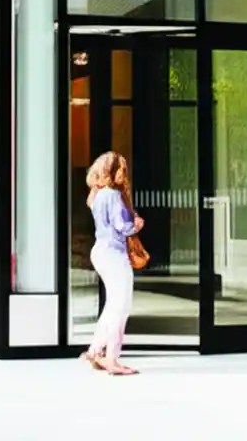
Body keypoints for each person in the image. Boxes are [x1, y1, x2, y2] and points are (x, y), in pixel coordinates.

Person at [80, 151, 143, 376]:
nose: (124, 172)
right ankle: (112, 359)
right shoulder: (114, 196)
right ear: (113, 170)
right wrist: (136, 224)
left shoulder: (97, 195)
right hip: (115, 254)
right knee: (121, 306)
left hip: (100, 252)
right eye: (122, 168)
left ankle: (96, 351)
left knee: (112, 305)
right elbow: (121, 226)